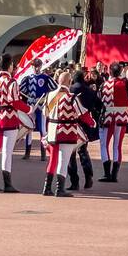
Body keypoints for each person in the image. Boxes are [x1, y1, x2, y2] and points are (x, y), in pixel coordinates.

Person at [41, 70, 95, 198]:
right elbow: (83, 114)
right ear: (69, 82)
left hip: (53, 131)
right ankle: (60, 189)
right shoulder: (71, 97)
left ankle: (47, 187)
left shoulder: (50, 96)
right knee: (63, 160)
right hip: (67, 131)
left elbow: (45, 113)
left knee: (53, 160)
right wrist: (92, 123)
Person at [0, 54, 29, 193]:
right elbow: (14, 101)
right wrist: (28, 109)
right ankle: (7, 184)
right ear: (9, 65)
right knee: (7, 151)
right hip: (9, 117)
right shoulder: (11, 82)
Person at [99, 61, 128, 182]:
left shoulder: (104, 85)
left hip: (107, 117)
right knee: (117, 146)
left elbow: (99, 100)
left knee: (104, 145)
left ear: (109, 71)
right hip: (122, 117)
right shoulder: (127, 84)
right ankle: (114, 174)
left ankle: (106, 173)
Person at [67, 68, 101, 191]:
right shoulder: (90, 91)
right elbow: (99, 105)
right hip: (85, 124)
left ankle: (74, 181)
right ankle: (88, 176)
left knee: (70, 153)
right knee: (83, 151)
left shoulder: (70, 90)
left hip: (71, 125)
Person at [19, 59, 57, 161]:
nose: (36, 68)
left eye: (38, 66)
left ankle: (43, 153)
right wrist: (28, 98)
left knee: (42, 129)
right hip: (31, 107)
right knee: (28, 129)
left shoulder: (46, 78)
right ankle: (27, 152)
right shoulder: (27, 79)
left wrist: (46, 98)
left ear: (41, 66)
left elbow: (55, 88)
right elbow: (20, 90)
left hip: (41, 106)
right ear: (31, 67)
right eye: (34, 66)